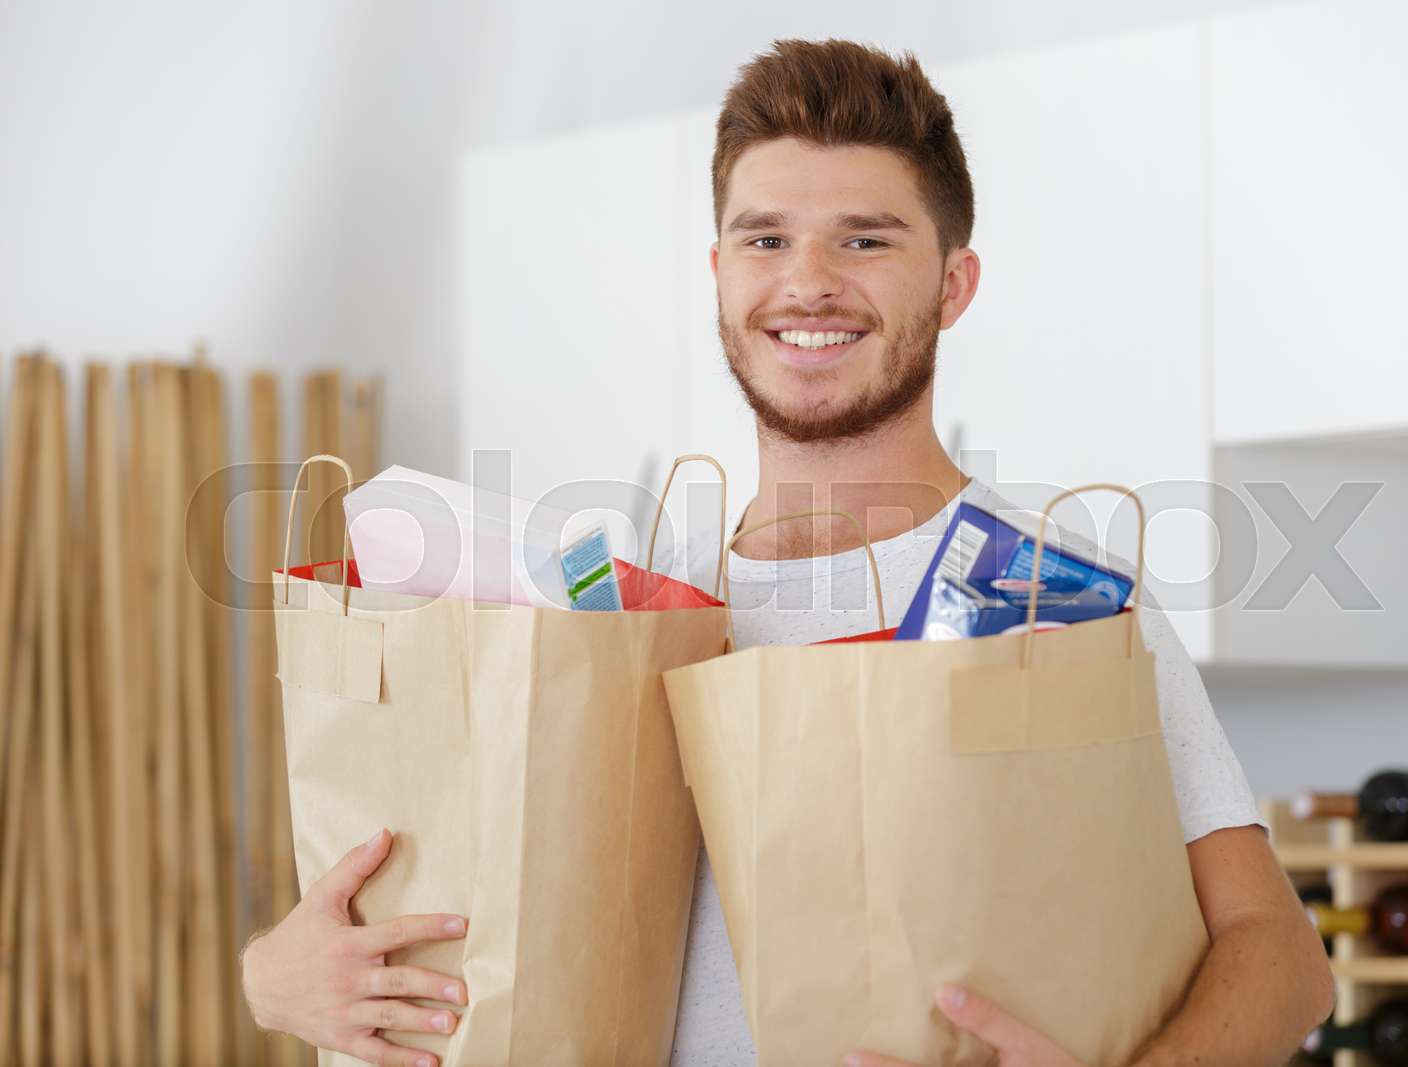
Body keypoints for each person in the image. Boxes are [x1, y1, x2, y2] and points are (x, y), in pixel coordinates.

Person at [242, 37, 1335, 1067]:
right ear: (719, 271)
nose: (808, 281)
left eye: (865, 239)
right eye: (767, 239)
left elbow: (1280, 955)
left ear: (953, 284)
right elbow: (443, 893)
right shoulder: (616, 606)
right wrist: (275, 977)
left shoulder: (1057, 596)